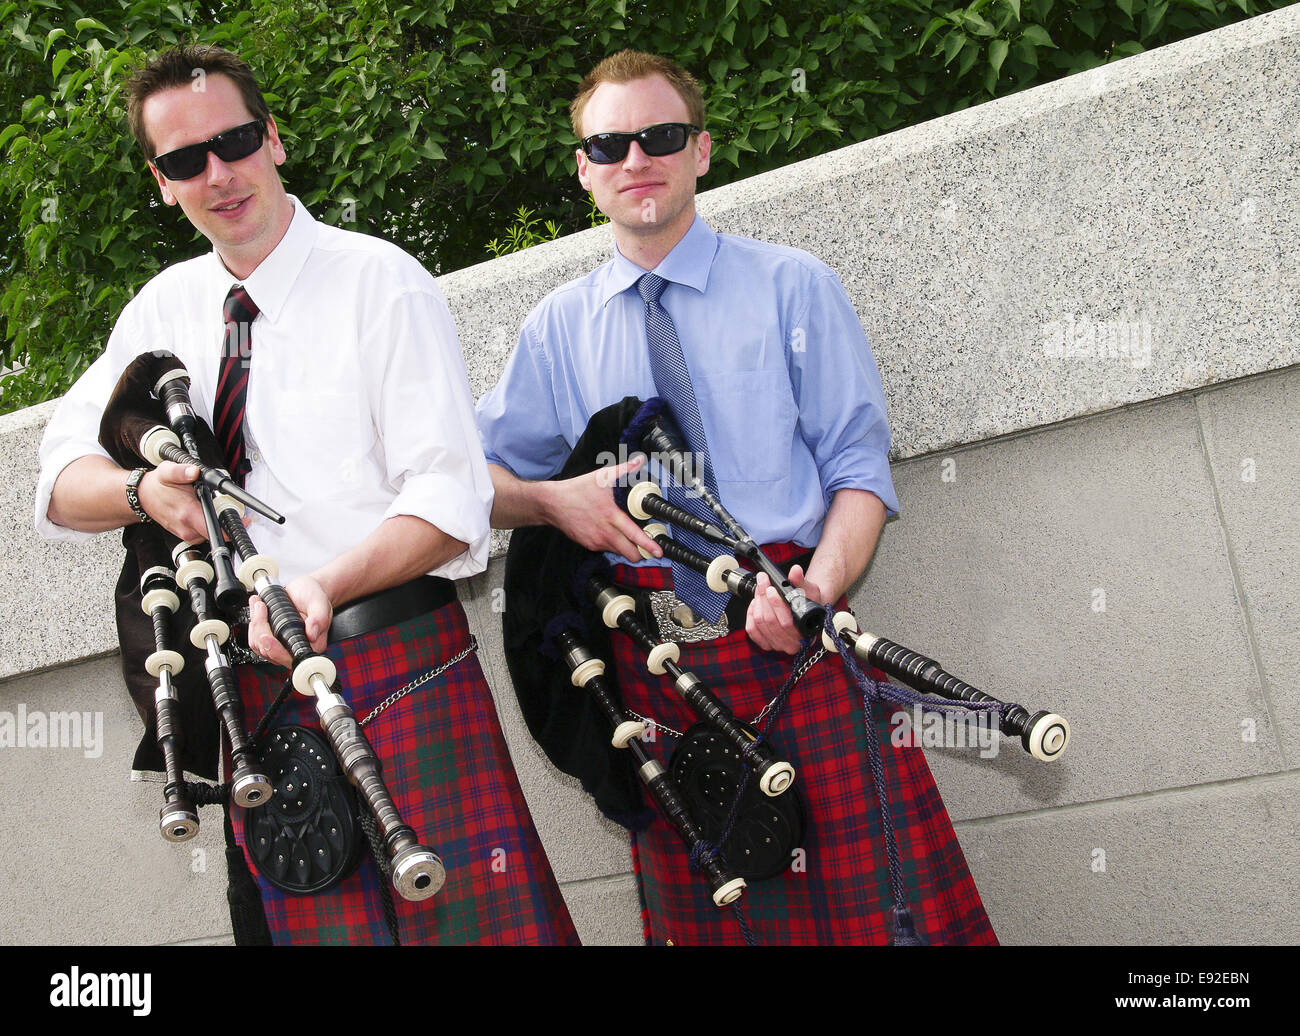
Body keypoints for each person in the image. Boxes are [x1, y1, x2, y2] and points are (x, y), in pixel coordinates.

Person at [34, 44, 578, 946]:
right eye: (183, 161)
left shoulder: (380, 281)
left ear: (275, 139)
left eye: (236, 140)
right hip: (256, 693)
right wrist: (148, 494)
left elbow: (449, 501)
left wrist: (323, 587)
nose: (218, 174)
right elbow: (58, 483)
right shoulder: (161, 309)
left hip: (396, 659)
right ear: (162, 183)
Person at [477, 50, 997, 945]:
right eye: (609, 145)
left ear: (703, 150)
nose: (635, 159)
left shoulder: (793, 286)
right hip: (654, 669)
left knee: (883, 923)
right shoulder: (556, 329)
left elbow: (858, 473)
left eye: (660, 136)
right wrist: (558, 502)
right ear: (584, 170)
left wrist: (815, 589)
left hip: (791, 635)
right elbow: (478, 484)